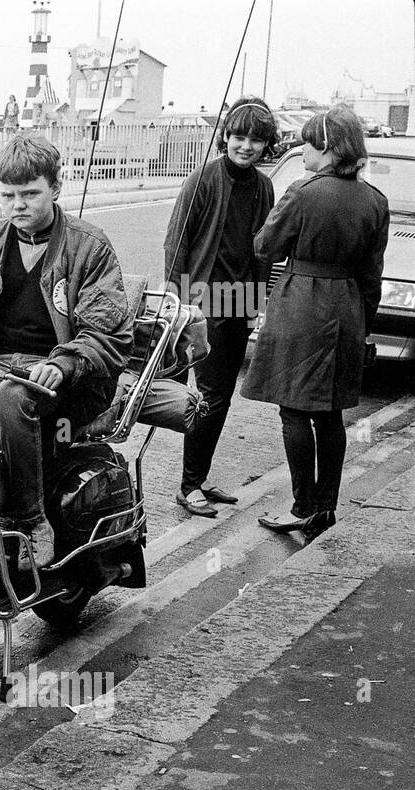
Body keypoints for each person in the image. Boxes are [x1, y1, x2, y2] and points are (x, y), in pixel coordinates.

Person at [0, 134, 133, 569]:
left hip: (71, 376)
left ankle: (31, 521)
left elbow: (106, 333)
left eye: (30, 193)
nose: (17, 205)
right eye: (8, 196)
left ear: (56, 188)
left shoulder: (89, 246)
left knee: (13, 398)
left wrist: (61, 364)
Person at [241, 106, 388, 538]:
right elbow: (372, 276)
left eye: (307, 143)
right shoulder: (375, 200)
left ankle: (303, 505)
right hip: (347, 307)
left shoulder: (303, 192)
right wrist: (362, 326)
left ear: (325, 147)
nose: (302, 150)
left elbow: (266, 246)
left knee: (294, 410)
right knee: (330, 414)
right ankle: (326, 508)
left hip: (302, 303)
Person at [163, 96, 277, 518]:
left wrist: (257, 301)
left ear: (267, 145)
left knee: (224, 396)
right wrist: (175, 301)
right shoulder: (202, 180)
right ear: (226, 137)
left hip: (240, 296)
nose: (246, 146)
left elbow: (263, 251)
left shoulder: (264, 186)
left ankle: (200, 476)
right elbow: (176, 241)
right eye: (239, 137)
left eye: (256, 140)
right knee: (209, 394)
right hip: (201, 298)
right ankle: (188, 485)